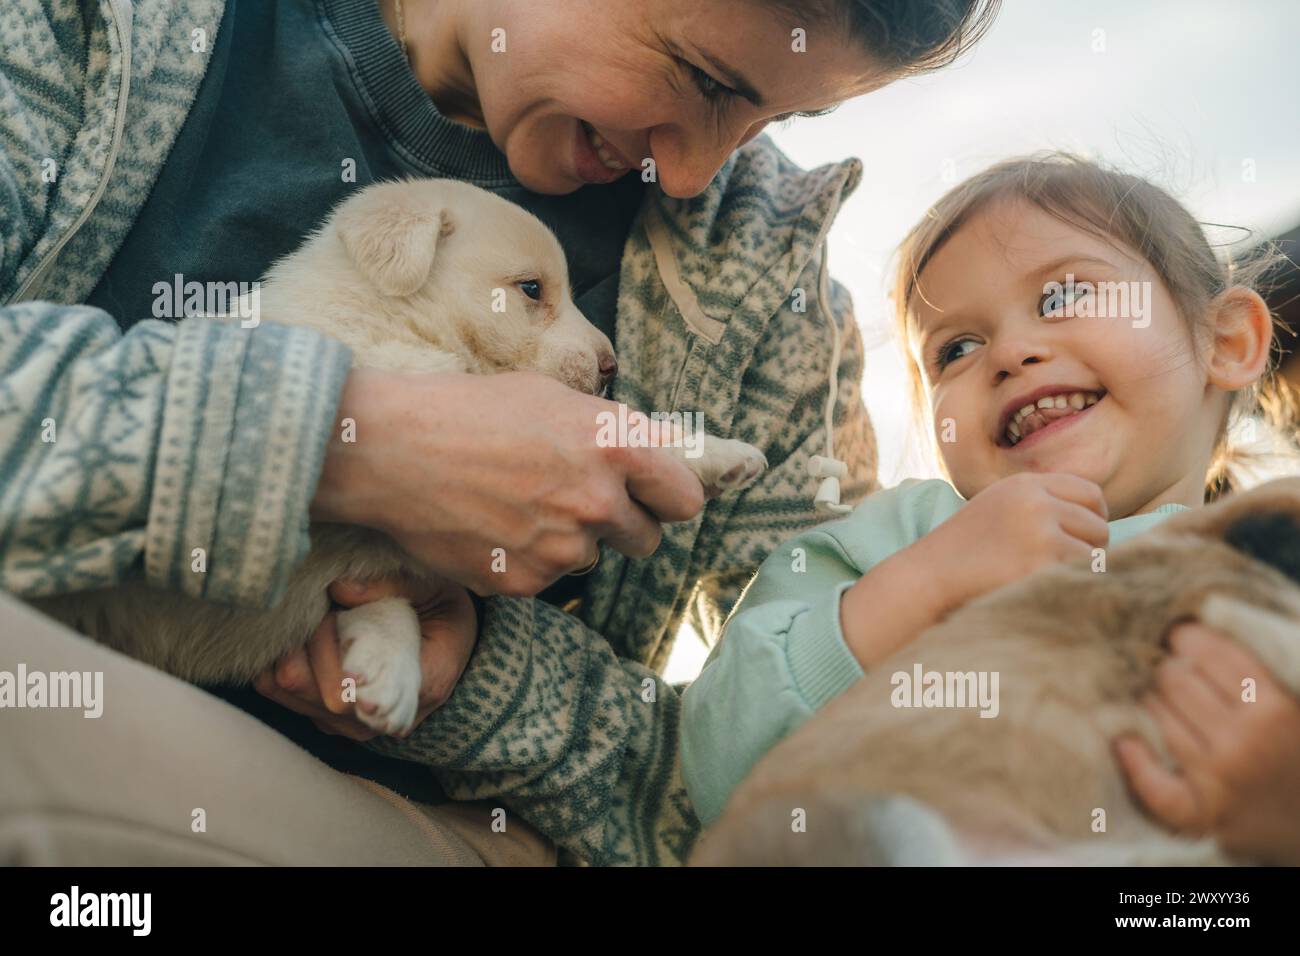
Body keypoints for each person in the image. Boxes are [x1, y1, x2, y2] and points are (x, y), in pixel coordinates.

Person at [0, 0, 998, 865]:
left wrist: (485, 677)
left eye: (777, 117)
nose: (694, 174)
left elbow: (781, 805)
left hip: (430, 829)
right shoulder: (86, 28)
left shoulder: (771, 295)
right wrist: (345, 444)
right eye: (699, 78)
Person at [682, 154, 1300, 864]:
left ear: (1226, 341)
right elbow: (720, 764)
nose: (1009, 353)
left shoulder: (1268, 560)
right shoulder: (903, 538)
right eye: (957, 349)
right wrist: (924, 585)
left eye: (1064, 296)